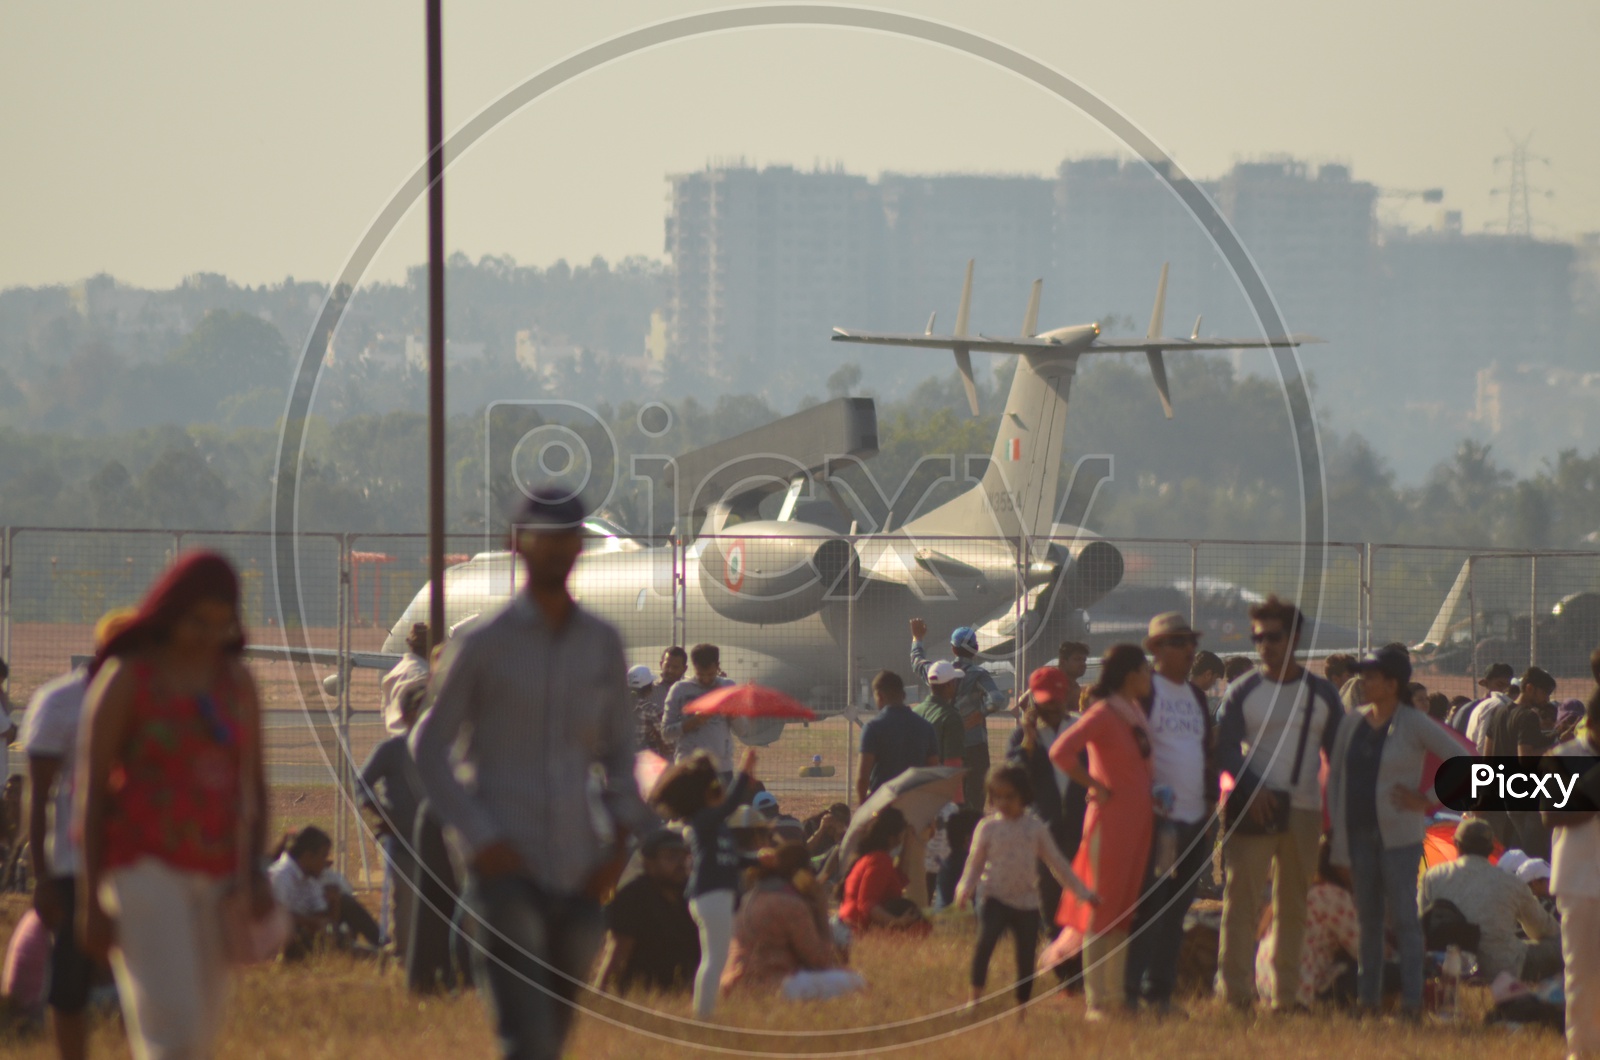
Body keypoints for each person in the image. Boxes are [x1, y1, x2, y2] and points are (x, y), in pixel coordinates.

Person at [410, 490, 655, 1060]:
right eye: (544, 539)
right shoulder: (483, 644)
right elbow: (429, 747)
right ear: (516, 545)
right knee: (528, 1037)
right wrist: (479, 837)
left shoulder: (601, 643)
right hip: (506, 866)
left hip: (579, 866)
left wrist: (620, 838)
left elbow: (622, 751)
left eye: (567, 538)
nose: (556, 551)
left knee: (554, 1032)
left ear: (580, 547)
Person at [74, 552, 269, 1060]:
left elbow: (256, 786)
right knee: (173, 1028)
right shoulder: (128, 677)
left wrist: (255, 872)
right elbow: (91, 792)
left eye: (221, 623)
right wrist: (89, 898)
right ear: (170, 612)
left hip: (218, 874)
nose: (208, 635)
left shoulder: (237, 683)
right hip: (143, 869)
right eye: (197, 621)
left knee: (201, 1030)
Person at [1214, 595, 1343, 1014]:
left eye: (1273, 637)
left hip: (1304, 810)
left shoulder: (1322, 693)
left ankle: (1287, 996)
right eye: (1258, 638)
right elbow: (1224, 750)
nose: (1264, 646)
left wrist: (1338, 816)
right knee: (1242, 902)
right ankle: (1236, 993)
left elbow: (1338, 756)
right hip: (1254, 809)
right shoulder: (1243, 690)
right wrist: (1253, 788)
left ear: (1295, 638)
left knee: (1294, 906)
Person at [1326, 646, 1472, 1017]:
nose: (1363, 682)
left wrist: (1427, 799)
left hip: (1400, 839)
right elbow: (1338, 780)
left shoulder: (1414, 723)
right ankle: (1368, 1000)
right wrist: (1339, 842)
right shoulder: (1353, 722)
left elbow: (1464, 760)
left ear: (1392, 684)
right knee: (1367, 921)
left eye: (1371, 676)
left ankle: (1411, 1002)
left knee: (1405, 919)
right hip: (1359, 835)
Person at [22, 607, 134, 1060]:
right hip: (74, 866)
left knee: (142, 981)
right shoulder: (60, 702)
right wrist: (42, 877)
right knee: (71, 979)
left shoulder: (155, 700)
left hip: (138, 861)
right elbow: (38, 796)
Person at [1047, 644, 1155, 1020]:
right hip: (1109, 824)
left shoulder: (1134, 712)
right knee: (1101, 909)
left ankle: (1116, 997)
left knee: (1123, 912)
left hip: (1138, 823)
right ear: (1130, 674)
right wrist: (1094, 784)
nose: (1150, 677)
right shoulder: (1104, 712)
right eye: (1145, 670)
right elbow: (1061, 751)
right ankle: (1097, 1000)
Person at [1125, 613, 1218, 1015]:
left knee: (1179, 907)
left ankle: (1159, 992)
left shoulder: (1195, 696)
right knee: (1154, 905)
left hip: (1196, 821)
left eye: (1191, 642)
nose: (1189, 650)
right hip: (1162, 822)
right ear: (1157, 649)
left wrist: (1210, 801)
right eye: (1180, 643)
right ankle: (1131, 991)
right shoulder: (1144, 692)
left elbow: (1206, 750)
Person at [956, 763, 1096, 1016]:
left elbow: (1058, 864)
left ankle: (1021, 1008)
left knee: (1025, 958)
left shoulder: (1035, 829)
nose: (1003, 802)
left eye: (1010, 796)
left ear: (1024, 795)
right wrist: (965, 887)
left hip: (1027, 904)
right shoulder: (987, 827)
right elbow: (974, 863)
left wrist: (1081, 892)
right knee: (984, 944)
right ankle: (973, 1000)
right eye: (997, 796)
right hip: (994, 898)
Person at [651, 747, 760, 1020]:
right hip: (711, 896)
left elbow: (730, 859)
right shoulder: (703, 821)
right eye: (715, 787)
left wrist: (759, 860)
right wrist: (744, 773)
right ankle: (703, 1016)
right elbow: (730, 805)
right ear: (703, 794)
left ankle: (705, 1013)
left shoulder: (714, 826)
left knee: (714, 958)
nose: (720, 792)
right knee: (715, 960)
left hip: (715, 896)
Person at [1006, 664, 1089, 980]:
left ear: (1065, 696)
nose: (1050, 709)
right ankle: (1061, 970)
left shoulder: (1080, 728)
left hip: (1081, 829)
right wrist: (1028, 740)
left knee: (1081, 898)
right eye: (1043, 702)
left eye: (1055, 701)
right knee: (1049, 899)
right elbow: (1014, 779)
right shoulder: (1023, 736)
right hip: (1044, 832)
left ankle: (1081, 964)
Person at [1419, 819, 1562, 983]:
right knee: (1560, 944)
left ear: (1456, 845)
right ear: (1491, 848)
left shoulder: (1432, 877)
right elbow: (1541, 929)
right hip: (1504, 967)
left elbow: (1421, 924)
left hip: (1449, 965)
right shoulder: (1510, 882)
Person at [1541, 665, 1600, 1060]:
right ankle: (1582, 1052)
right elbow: (1551, 814)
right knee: (1582, 976)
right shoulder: (1562, 757)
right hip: (1579, 881)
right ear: (1591, 724)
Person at [722, 841, 864, 1001]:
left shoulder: (748, 898)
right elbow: (821, 961)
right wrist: (821, 910)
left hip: (734, 983)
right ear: (800, 875)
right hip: (772, 985)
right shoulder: (791, 905)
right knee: (857, 981)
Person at [1257, 837, 1383, 1010]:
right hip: (1301, 989)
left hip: (1267, 983)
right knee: (1383, 970)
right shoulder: (1333, 896)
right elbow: (1365, 950)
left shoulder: (1299, 892)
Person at [357, 679, 427, 960]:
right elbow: (362, 784)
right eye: (421, 709)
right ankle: (403, 956)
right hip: (401, 839)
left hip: (437, 840)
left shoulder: (443, 750)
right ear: (407, 715)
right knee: (405, 898)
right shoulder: (392, 750)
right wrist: (383, 815)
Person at [910, 618, 1006, 809]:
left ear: (953, 649)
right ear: (975, 649)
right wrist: (982, 713)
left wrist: (917, 638)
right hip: (974, 745)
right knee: (975, 799)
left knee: (946, 799)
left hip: (944, 746)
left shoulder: (939, 672)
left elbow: (917, 661)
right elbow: (997, 698)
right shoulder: (979, 674)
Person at [593, 830, 700, 995]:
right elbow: (618, 952)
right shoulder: (633, 896)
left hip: (686, 994)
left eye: (684, 857)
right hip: (641, 993)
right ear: (649, 863)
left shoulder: (692, 896)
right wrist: (600, 993)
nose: (680, 863)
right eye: (671, 856)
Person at [267, 826, 381, 958]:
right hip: (282, 940)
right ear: (308, 856)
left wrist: (334, 903)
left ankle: (380, 945)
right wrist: (312, 922)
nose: (326, 862)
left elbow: (325, 920)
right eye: (323, 856)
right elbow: (275, 917)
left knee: (345, 902)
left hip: (308, 934)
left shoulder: (310, 877)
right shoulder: (281, 876)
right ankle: (365, 952)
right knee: (303, 934)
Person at [838, 807, 928, 936]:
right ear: (892, 838)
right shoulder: (879, 860)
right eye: (901, 835)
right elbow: (867, 904)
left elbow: (899, 879)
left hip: (851, 924)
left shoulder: (873, 856)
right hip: (857, 929)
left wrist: (907, 844)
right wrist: (898, 922)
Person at [661, 644, 740, 774]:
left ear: (717, 666)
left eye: (710, 674)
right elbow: (666, 732)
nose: (706, 679)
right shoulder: (680, 690)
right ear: (693, 667)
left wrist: (733, 713)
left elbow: (743, 730)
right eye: (700, 674)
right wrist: (695, 721)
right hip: (688, 768)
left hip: (721, 768)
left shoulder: (728, 687)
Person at [1486, 666, 1556, 758]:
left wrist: (1557, 733)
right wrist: (1558, 747)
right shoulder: (1528, 716)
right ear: (1529, 688)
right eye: (1545, 693)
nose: (1547, 699)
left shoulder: (1498, 712)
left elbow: (1487, 755)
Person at [913, 661, 966, 773]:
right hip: (937, 780)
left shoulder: (915, 712)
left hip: (914, 779)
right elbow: (953, 765)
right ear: (949, 685)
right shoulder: (951, 717)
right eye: (954, 681)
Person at [380, 622, 431, 735]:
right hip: (417, 740)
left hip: (395, 739)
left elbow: (385, 712)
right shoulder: (425, 676)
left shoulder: (392, 674)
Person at [1461, 662, 1515, 747]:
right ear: (1485, 683)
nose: (1504, 690)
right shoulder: (1496, 706)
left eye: (1508, 687)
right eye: (1500, 685)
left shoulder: (1481, 705)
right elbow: (1482, 744)